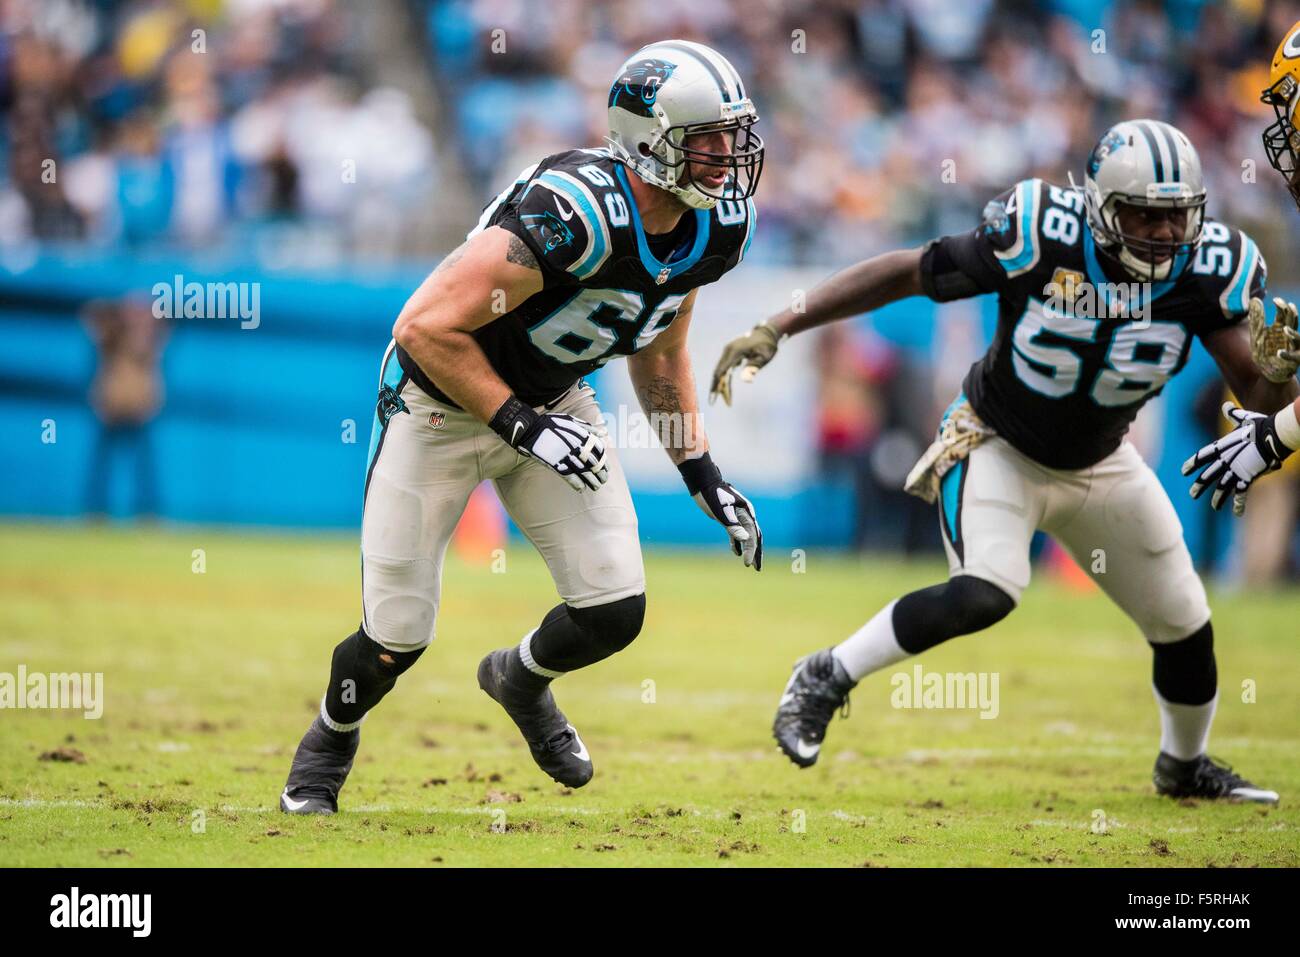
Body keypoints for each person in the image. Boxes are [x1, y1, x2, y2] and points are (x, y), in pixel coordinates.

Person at [713, 120, 1295, 803]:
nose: (1165, 233)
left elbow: (1256, 395)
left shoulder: (1212, 268)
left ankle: (1183, 765)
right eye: (1146, 214)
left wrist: (1278, 369)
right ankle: (826, 673)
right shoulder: (1041, 233)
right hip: (999, 443)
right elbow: (911, 270)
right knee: (986, 590)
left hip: (1103, 463)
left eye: (1177, 216)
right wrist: (781, 324)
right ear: (1103, 208)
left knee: (1185, 624)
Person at [281, 41, 764, 814]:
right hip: (437, 405)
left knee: (614, 607)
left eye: (732, 137)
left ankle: (520, 678)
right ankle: (331, 736)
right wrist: (519, 424)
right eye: (707, 138)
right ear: (649, 139)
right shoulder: (571, 213)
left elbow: (663, 345)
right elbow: (423, 326)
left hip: (555, 402)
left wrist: (702, 472)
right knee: (395, 636)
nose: (727, 157)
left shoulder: (715, 228)